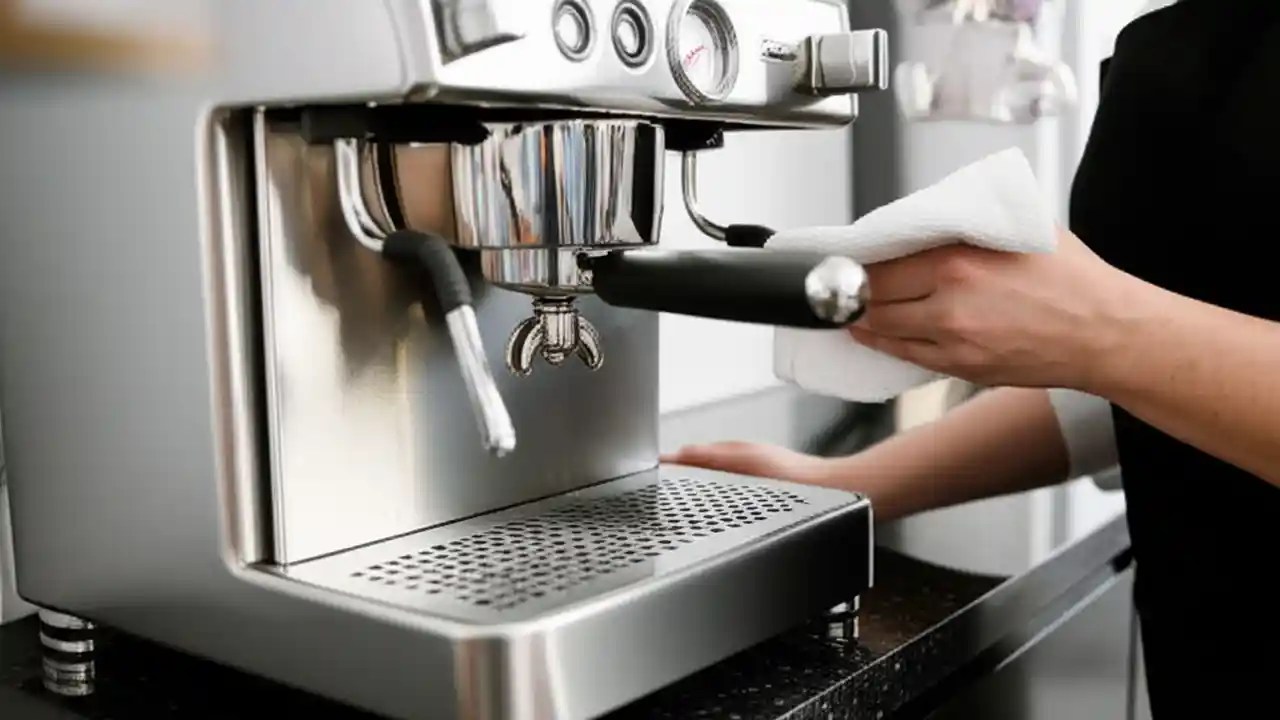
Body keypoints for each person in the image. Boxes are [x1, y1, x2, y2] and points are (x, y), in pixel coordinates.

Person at [665, 1, 1280, 714]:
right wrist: (847, 486)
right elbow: (1140, 390)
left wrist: (1102, 328)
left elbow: (1129, 352)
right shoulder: (1185, 39)